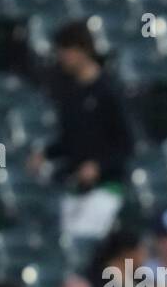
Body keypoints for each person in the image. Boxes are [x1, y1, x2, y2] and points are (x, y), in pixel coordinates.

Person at [28, 21, 134, 240]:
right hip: (75, 186)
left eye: (66, 51)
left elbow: (126, 143)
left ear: (82, 50)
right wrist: (46, 154)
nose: (62, 58)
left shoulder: (108, 91)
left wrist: (99, 166)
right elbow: (70, 140)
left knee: (85, 241)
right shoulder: (69, 92)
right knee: (68, 245)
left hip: (105, 187)